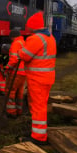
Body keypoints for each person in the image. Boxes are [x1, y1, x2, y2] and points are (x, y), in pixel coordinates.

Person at [18, 12, 56, 145]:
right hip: (46, 78)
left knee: (38, 106)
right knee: (40, 105)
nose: (27, 28)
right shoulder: (49, 37)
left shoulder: (35, 39)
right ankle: (38, 132)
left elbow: (25, 55)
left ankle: (38, 137)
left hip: (37, 79)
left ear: (33, 26)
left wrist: (20, 50)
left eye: (28, 26)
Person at [4, 29, 26, 118]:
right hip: (24, 72)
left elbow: (14, 59)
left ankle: (11, 112)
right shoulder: (23, 43)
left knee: (10, 91)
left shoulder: (16, 44)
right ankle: (19, 110)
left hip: (16, 72)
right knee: (19, 92)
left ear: (12, 37)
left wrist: (7, 67)